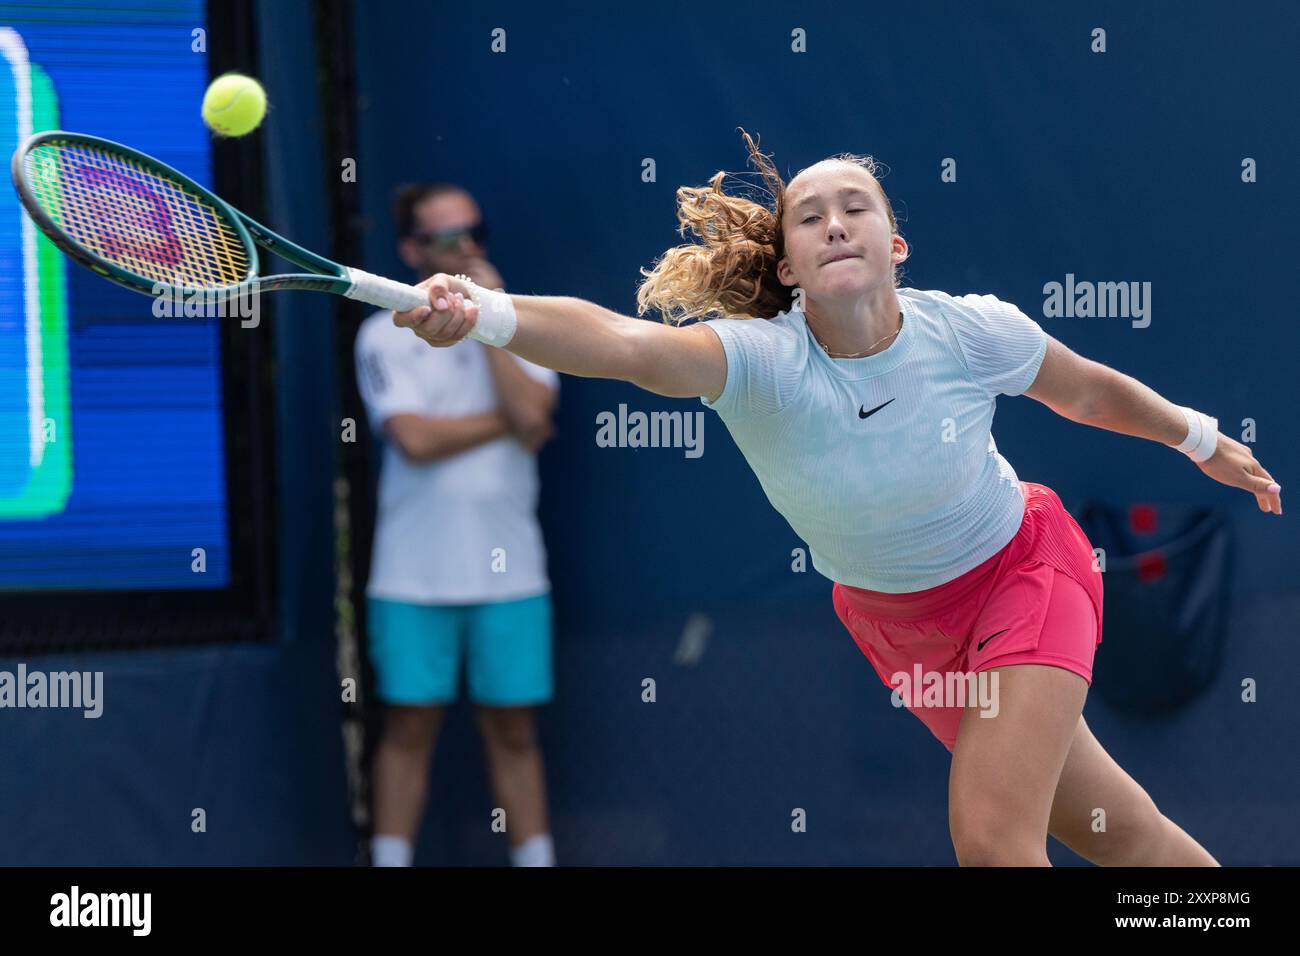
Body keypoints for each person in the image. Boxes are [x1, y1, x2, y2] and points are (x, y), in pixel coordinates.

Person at [390, 132, 1282, 866]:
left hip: (1026, 571)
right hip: (897, 623)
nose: (835, 223)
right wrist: (486, 313)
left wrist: (1198, 438)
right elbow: (621, 342)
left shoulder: (971, 331)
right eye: (810, 218)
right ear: (788, 270)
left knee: (990, 840)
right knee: (1119, 837)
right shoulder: (761, 364)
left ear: (895, 245)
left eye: (857, 206)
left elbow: (1087, 391)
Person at [355, 183, 560, 867]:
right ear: (412, 251)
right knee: (409, 727)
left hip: (513, 574)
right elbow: (413, 439)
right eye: (447, 239)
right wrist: (512, 420)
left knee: (514, 731)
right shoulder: (379, 329)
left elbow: (534, 420)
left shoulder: (527, 321)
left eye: (474, 232)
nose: (466, 248)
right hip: (411, 576)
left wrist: (490, 324)